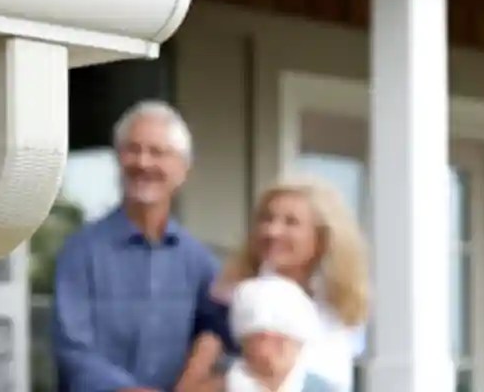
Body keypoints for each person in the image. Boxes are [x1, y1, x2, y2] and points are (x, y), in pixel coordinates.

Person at [51, 100, 232, 392]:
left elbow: (227, 333)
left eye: (158, 152)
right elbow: (74, 352)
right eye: (133, 149)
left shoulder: (198, 261)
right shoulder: (81, 251)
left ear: (183, 169)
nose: (143, 162)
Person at [176, 177, 370, 392]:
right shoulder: (230, 302)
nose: (272, 231)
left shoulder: (339, 307)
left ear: (322, 237)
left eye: (291, 222)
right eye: (266, 219)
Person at [224, 275, 337, 392]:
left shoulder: (322, 388)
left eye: (279, 342)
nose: (265, 350)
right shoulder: (216, 385)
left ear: (299, 344)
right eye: (259, 338)